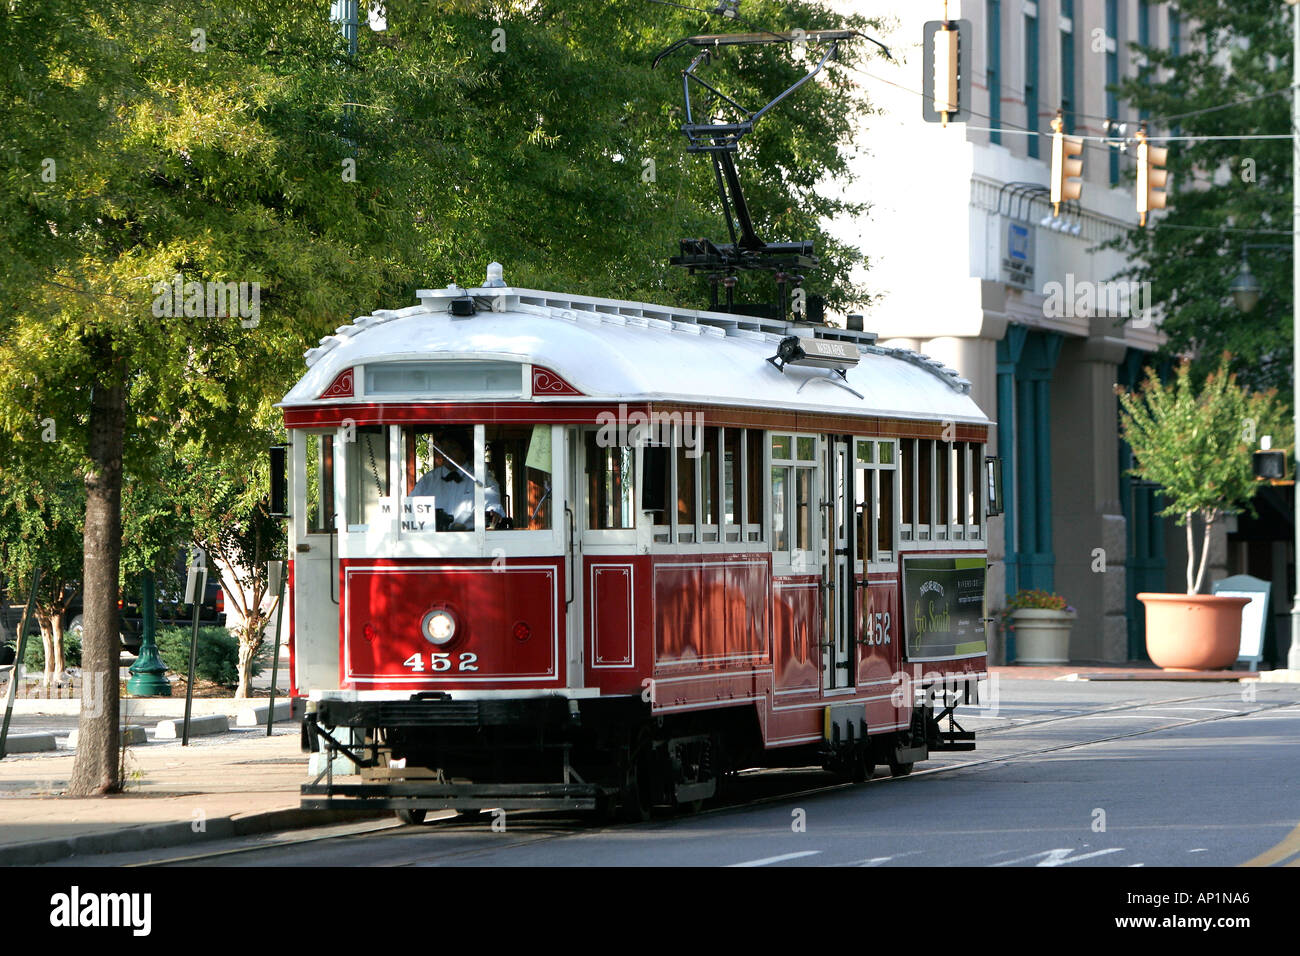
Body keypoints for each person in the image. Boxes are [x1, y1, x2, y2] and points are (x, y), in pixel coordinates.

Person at [410, 431, 503, 531]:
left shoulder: (481, 478)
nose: (446, 453)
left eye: (452, 448)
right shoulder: (428, 480)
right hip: (434, 540)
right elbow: (410, 508)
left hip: (471, 540)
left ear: (465, 451)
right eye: (444, 449)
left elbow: (492, 505)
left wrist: (492, 513)